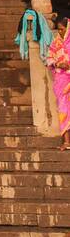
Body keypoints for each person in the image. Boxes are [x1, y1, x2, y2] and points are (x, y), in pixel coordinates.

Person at [46, 18, 70, 150]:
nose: (60, 32)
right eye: (59, 29)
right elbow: (49, 59)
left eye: (62, 29)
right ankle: (66, 141)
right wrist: (57, 63)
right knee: (63, 110)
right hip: (61, 82)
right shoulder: (56, 43)